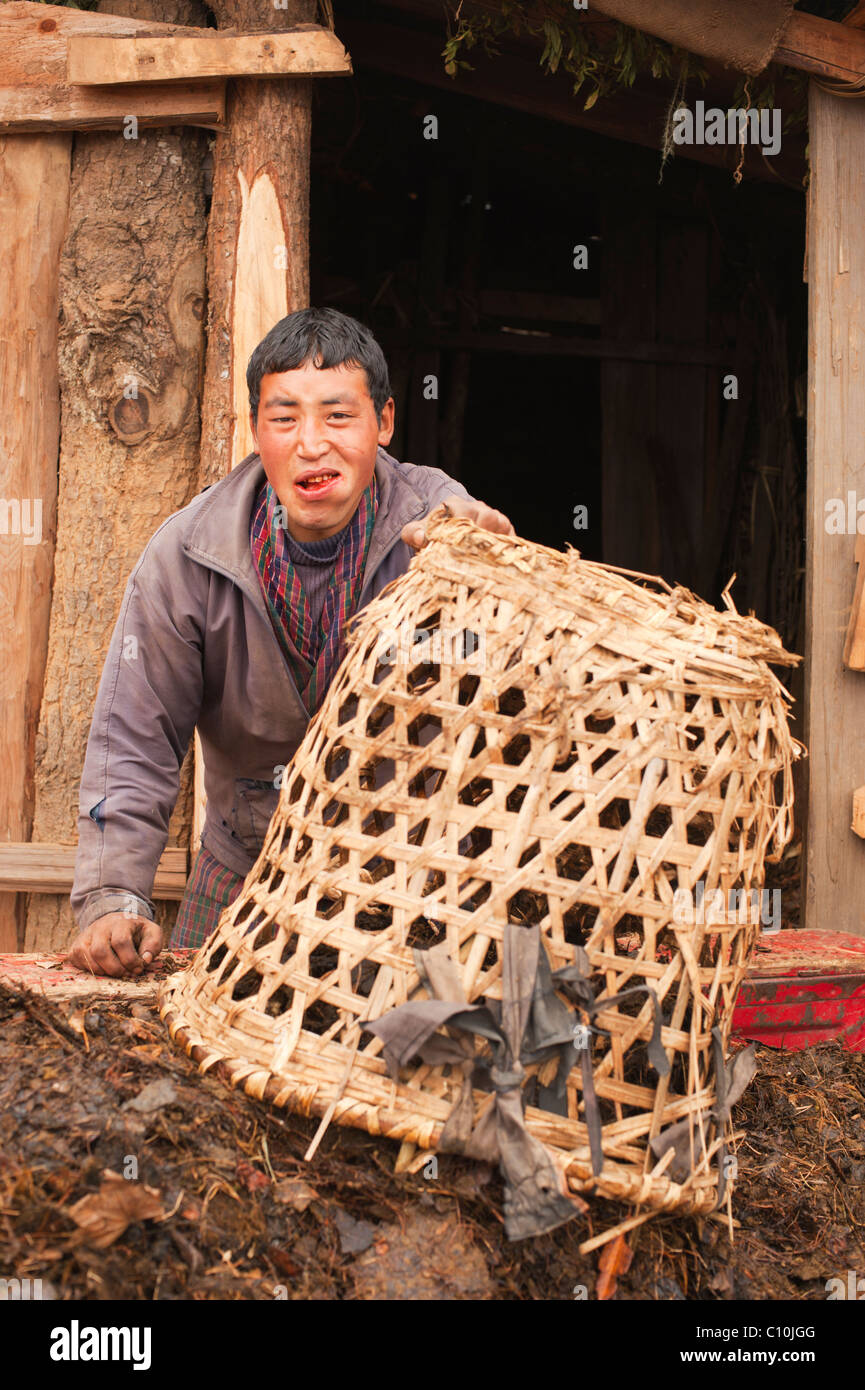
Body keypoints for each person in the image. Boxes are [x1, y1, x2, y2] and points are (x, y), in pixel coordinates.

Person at [68, 308, 513, 977]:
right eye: (284, 419)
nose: (311, 444)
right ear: (255, 431)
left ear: (384, 423)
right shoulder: (190, 555)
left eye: (338, 416)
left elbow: (517, 717)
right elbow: (133, 738)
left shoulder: (446, 538)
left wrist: (497, 580)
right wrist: (112, 893)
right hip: (247, 863)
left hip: (419, 877)